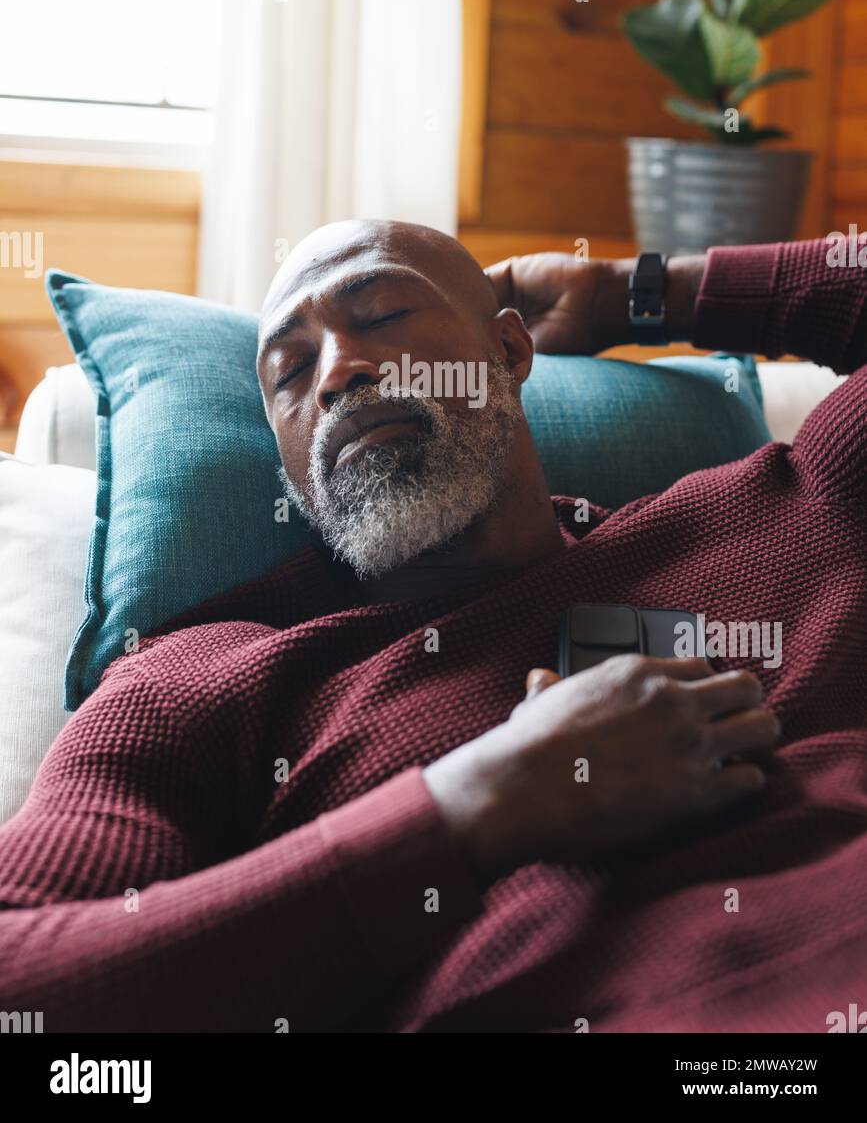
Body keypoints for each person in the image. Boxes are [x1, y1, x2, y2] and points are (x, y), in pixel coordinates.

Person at [0, 219, 865, 1033]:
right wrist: (481, 803)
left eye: (382, 313)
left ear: (508, 348)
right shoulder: (195, 685)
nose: (339, 372)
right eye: (290, 373)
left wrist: (638, 291)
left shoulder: (787, 512)